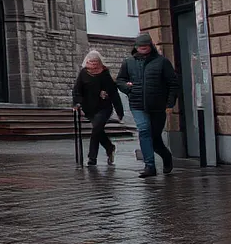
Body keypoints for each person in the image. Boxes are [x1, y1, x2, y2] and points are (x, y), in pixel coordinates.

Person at [117, 31, 178, 178]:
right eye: (140, 46)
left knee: (155, 137)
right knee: (144, 130)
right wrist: (127, 87)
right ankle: (149, 166)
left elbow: (173, 84)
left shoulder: (162, 62)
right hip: (137, 104)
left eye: (145, 45)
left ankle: (166, 156)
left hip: (157, 105)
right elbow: (120, 81)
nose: (143, 48)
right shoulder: (128, 63)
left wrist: (170, 104)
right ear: (136, 47)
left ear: (150, 45)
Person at [71, 49, 123, 166]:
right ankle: (109, 147)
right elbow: (77, 90)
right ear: (87, 62)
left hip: (104, 107)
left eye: (96, 62)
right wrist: (77, 103)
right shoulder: (83, 73)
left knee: (96, 129)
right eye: (91, 62)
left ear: (100, 62)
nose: (94, 65)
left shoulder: (105, 73)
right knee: (98, 130)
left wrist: (119, 111)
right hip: (89, 108)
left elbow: (114, 92)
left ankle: (92, 158)